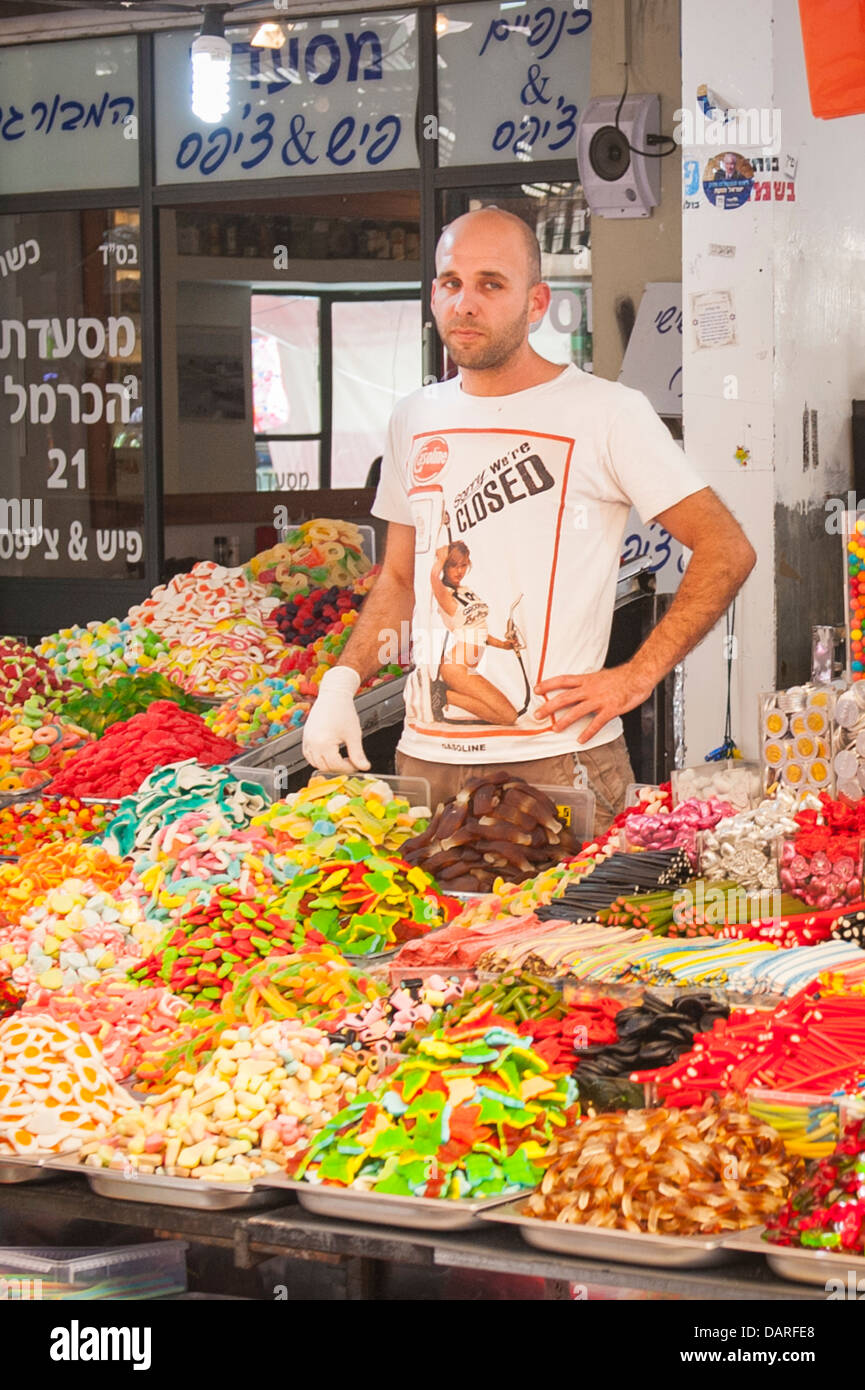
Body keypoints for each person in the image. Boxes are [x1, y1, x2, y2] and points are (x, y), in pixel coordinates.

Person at [302, 207, 756, 833]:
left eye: (492, 283)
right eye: (451, 282)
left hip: (557, 763)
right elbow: (402, 580)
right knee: (428, 930)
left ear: (536, 301)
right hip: (423, 763)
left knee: (569, 935)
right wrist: (342, 682)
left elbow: (725, 548)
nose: (465, 303)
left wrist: (636, 677)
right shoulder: (414, 417)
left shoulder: (607, 413)